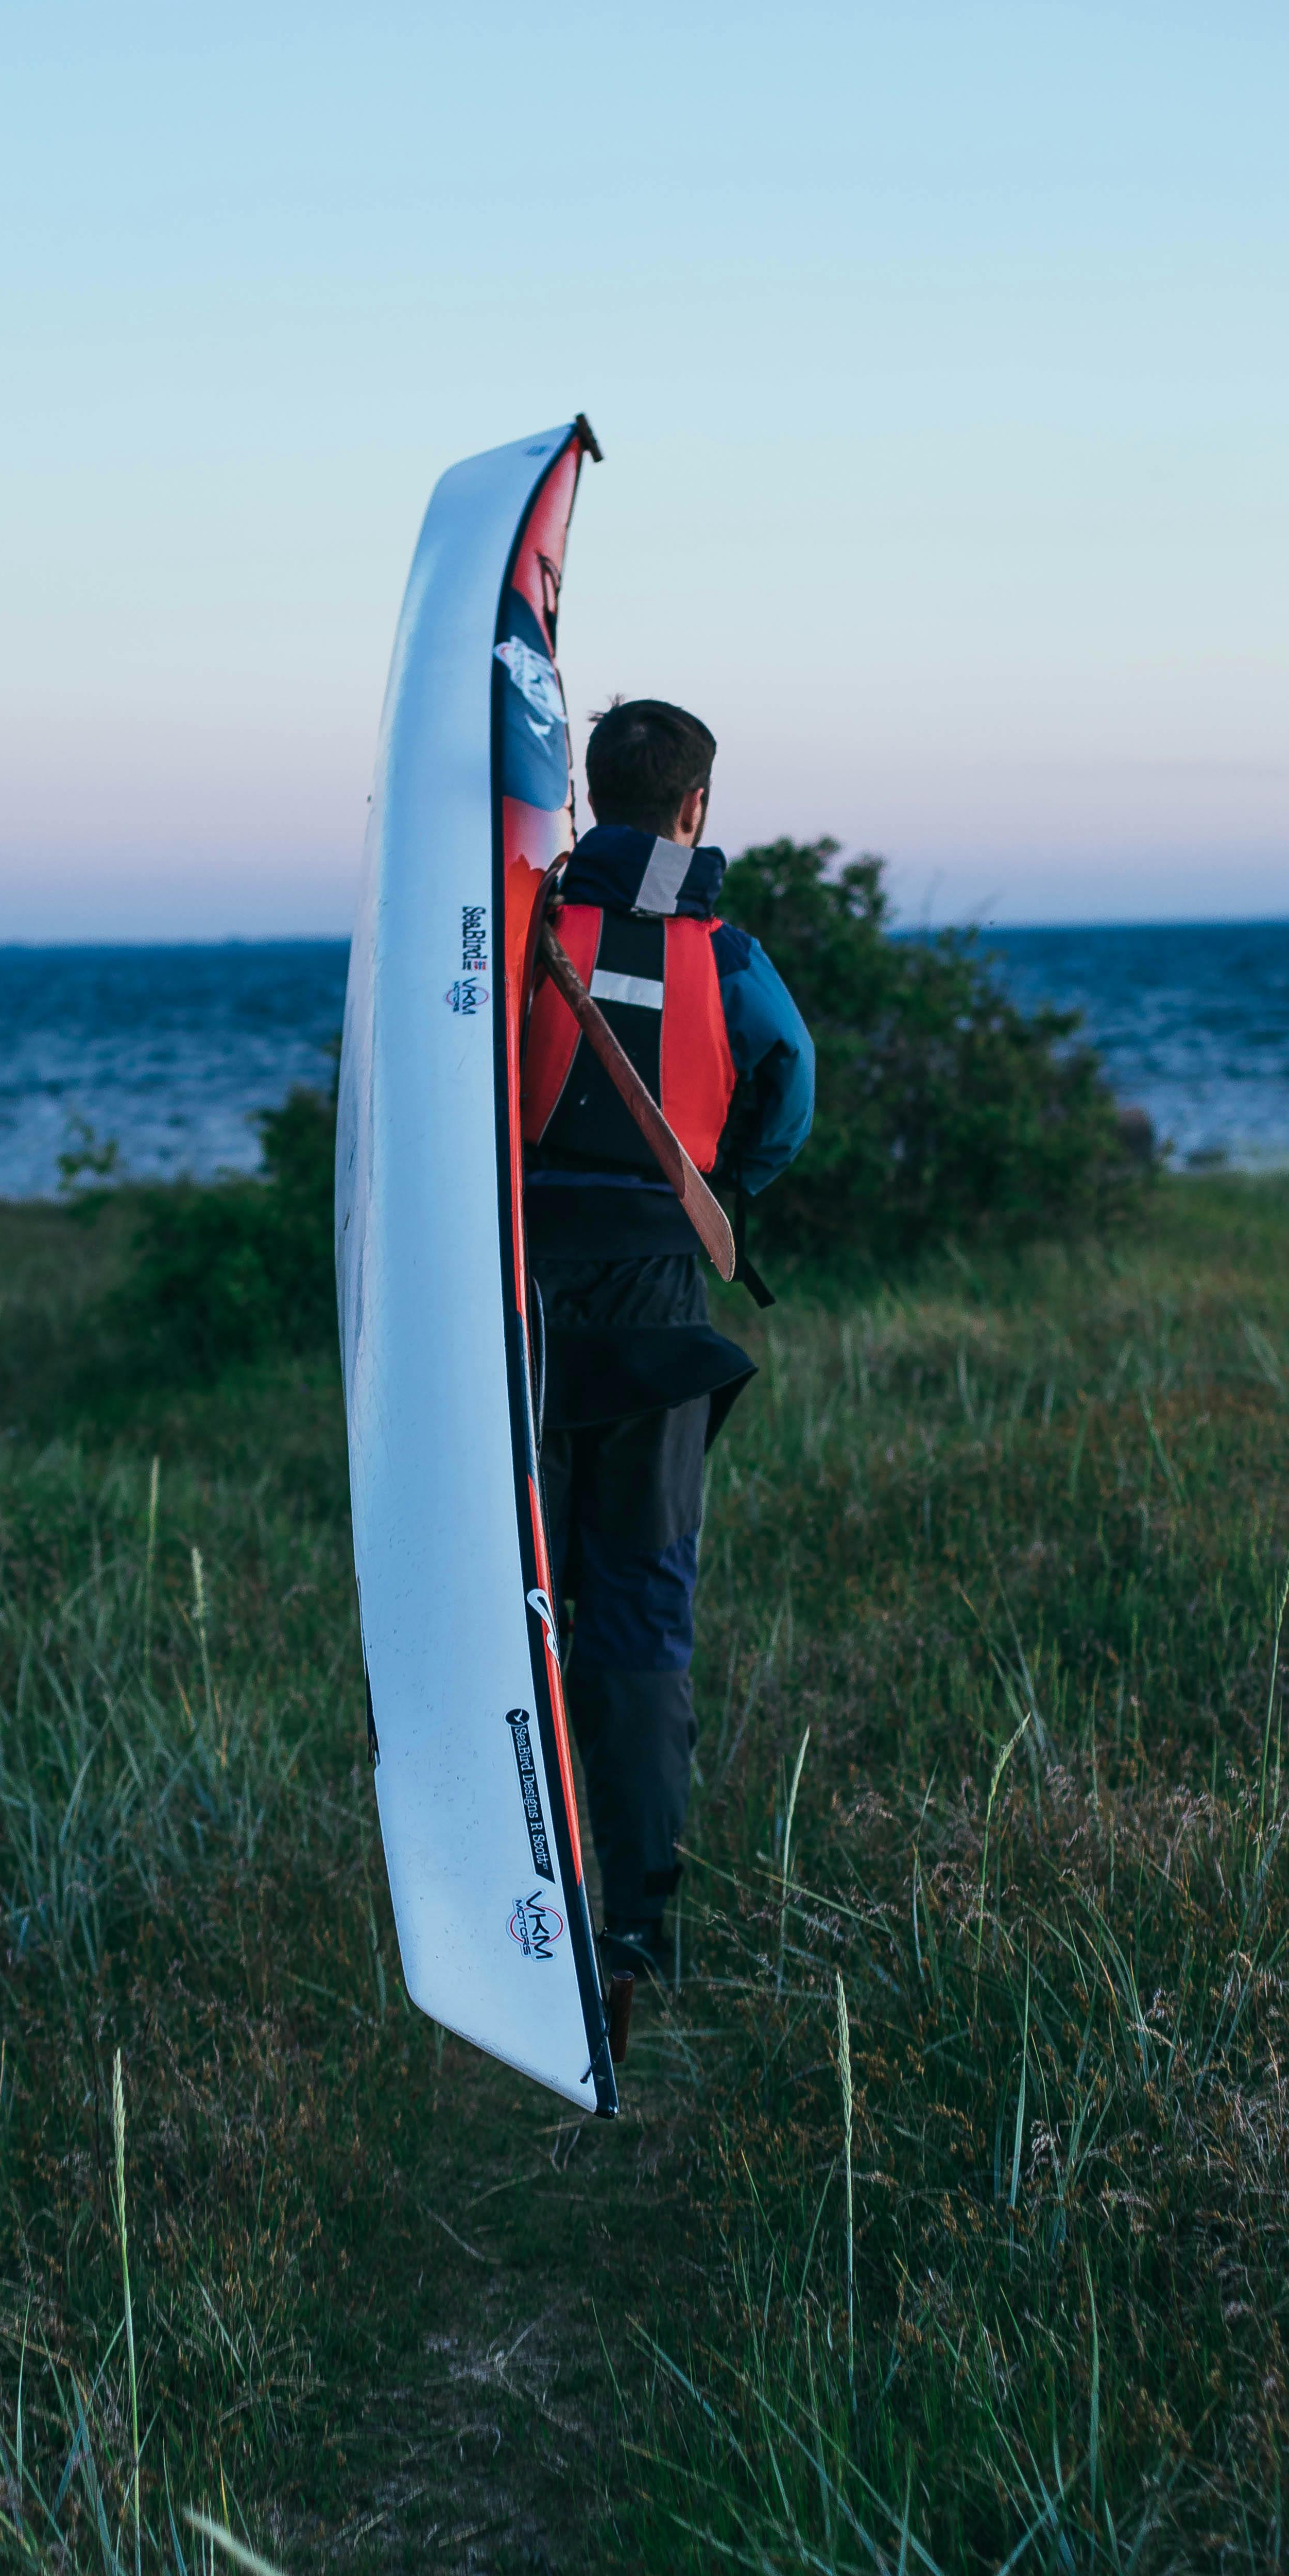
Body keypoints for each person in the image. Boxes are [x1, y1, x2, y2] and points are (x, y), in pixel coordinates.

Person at [522, 698, 815, 1980]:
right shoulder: (729, 956)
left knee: (516, 1594)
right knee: (638, 1602)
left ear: (588, 799)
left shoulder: (525, 932)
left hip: (515, 1293)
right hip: (652, 1292)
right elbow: (786, 1075)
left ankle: (512, 1891)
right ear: (693, 807)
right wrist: (730, 1184)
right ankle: (633, 1921)